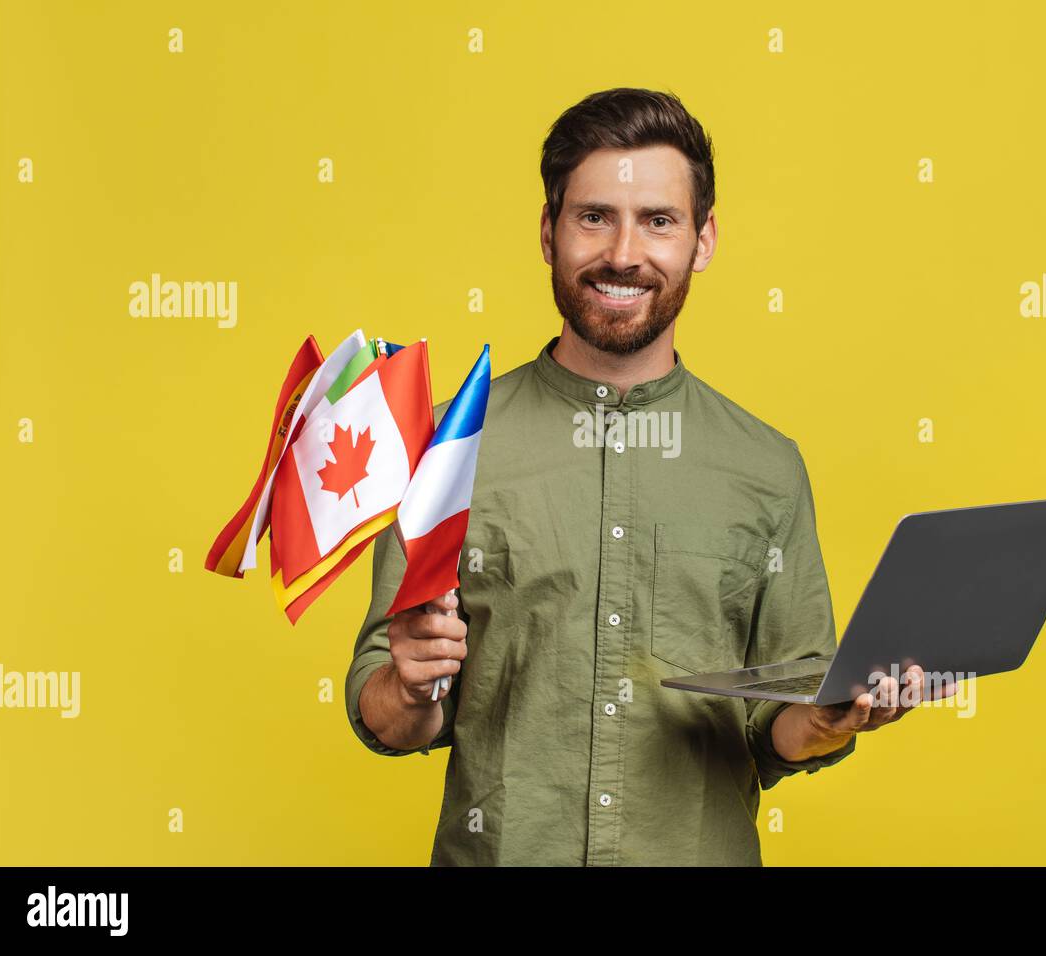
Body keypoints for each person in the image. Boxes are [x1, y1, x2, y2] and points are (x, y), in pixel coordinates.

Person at [345, 87, 942, 866]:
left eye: (658, 220)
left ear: (702, 239)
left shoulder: (766, 466)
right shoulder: (452, 448)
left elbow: (779, 731)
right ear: (548, 232)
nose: (624, 253)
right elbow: (387, 713)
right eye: (594, 216)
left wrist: (832, 720)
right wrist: (412, 687)